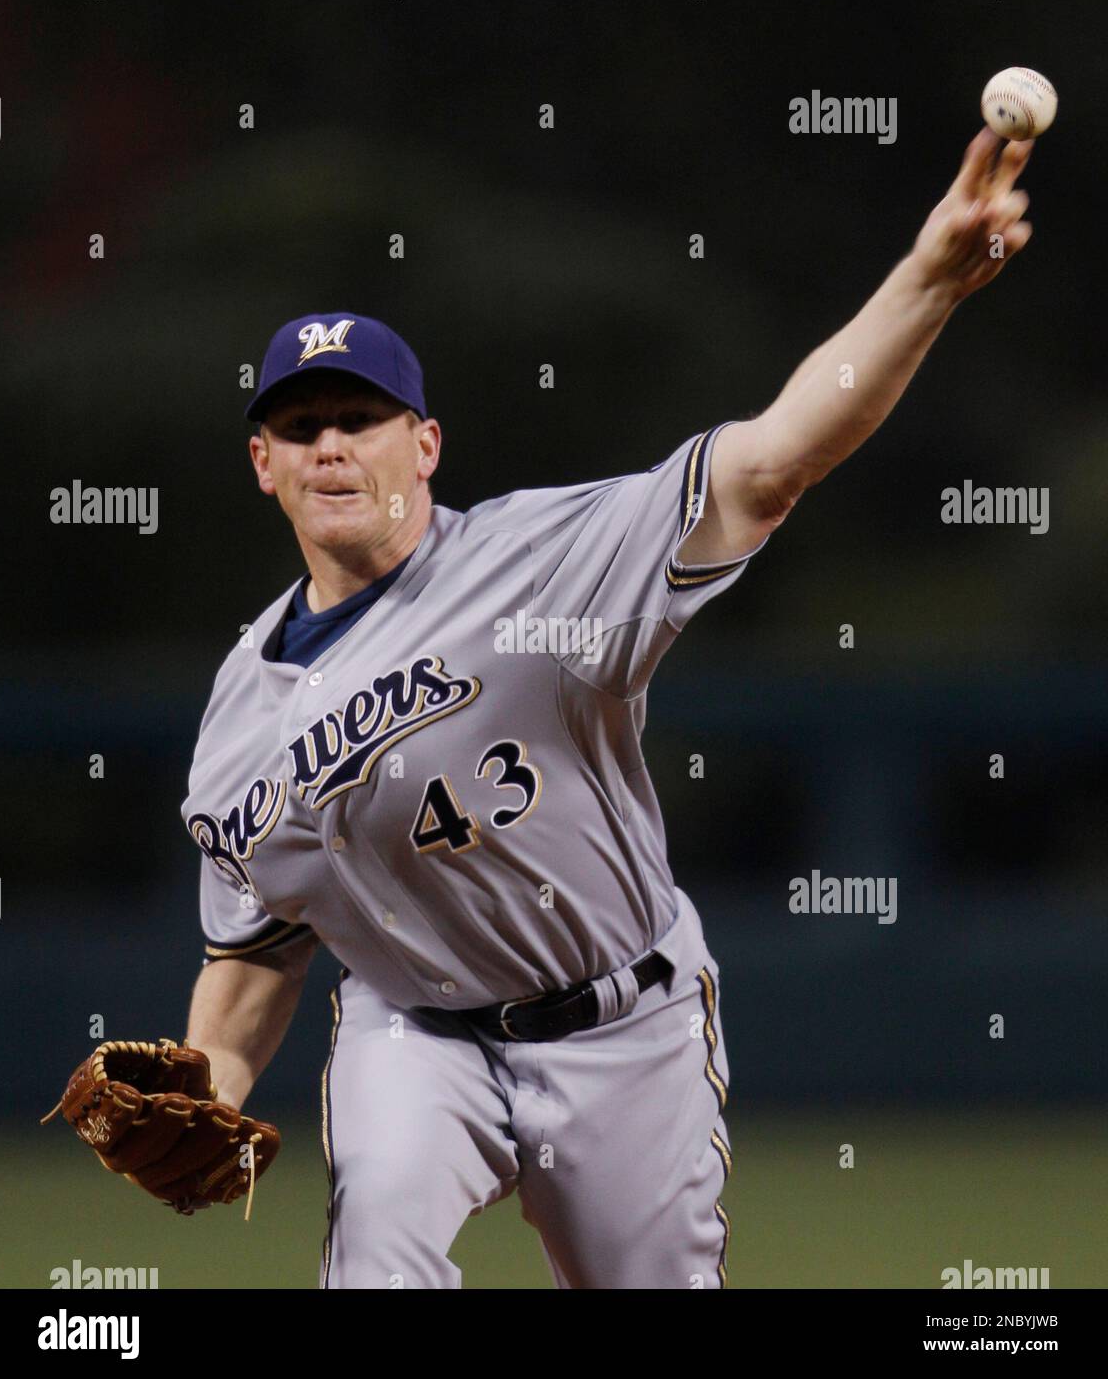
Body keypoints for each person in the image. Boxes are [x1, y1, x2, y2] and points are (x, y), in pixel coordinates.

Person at [181, 128, 1034, 1288]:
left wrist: (926, 282)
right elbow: (258, 944)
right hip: (413, 1034)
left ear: (424, 445)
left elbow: (772, 461)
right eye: (299, 426)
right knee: (374, 1243)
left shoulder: (544, 561)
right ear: (263, 465)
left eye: (359, 417)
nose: (331, 443)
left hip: (621, 1023)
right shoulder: (239, 718)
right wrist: (208, 1083)